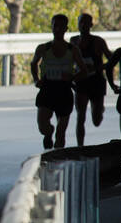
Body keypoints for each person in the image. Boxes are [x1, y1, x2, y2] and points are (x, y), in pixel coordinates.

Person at [30, 14, 90, 149]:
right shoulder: (43, 48)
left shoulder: (72, 50)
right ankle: (48, 132)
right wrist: (36, 80)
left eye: (61, 26)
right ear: (51, 27)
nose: (57, 29)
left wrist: (72, 78)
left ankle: (57, 161)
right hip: (47, 89)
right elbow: (33, 64)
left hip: (64, 90)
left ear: (66, 29)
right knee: (42, 126)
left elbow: (84, 70)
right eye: (55, 26)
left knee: (61, 132)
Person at [70, 13, 112, 146]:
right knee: (80, 116)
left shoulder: (98, 41)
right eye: (81, 22)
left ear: (91, 25)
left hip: (97, 82)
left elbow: (111, 58)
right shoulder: (73, 41)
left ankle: (100, 110)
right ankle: (80, 147)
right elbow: (69, 60)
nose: (83, 25)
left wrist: (101, 67)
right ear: (77, 24)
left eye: (86, 22)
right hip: (81, 82)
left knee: (96, 121)